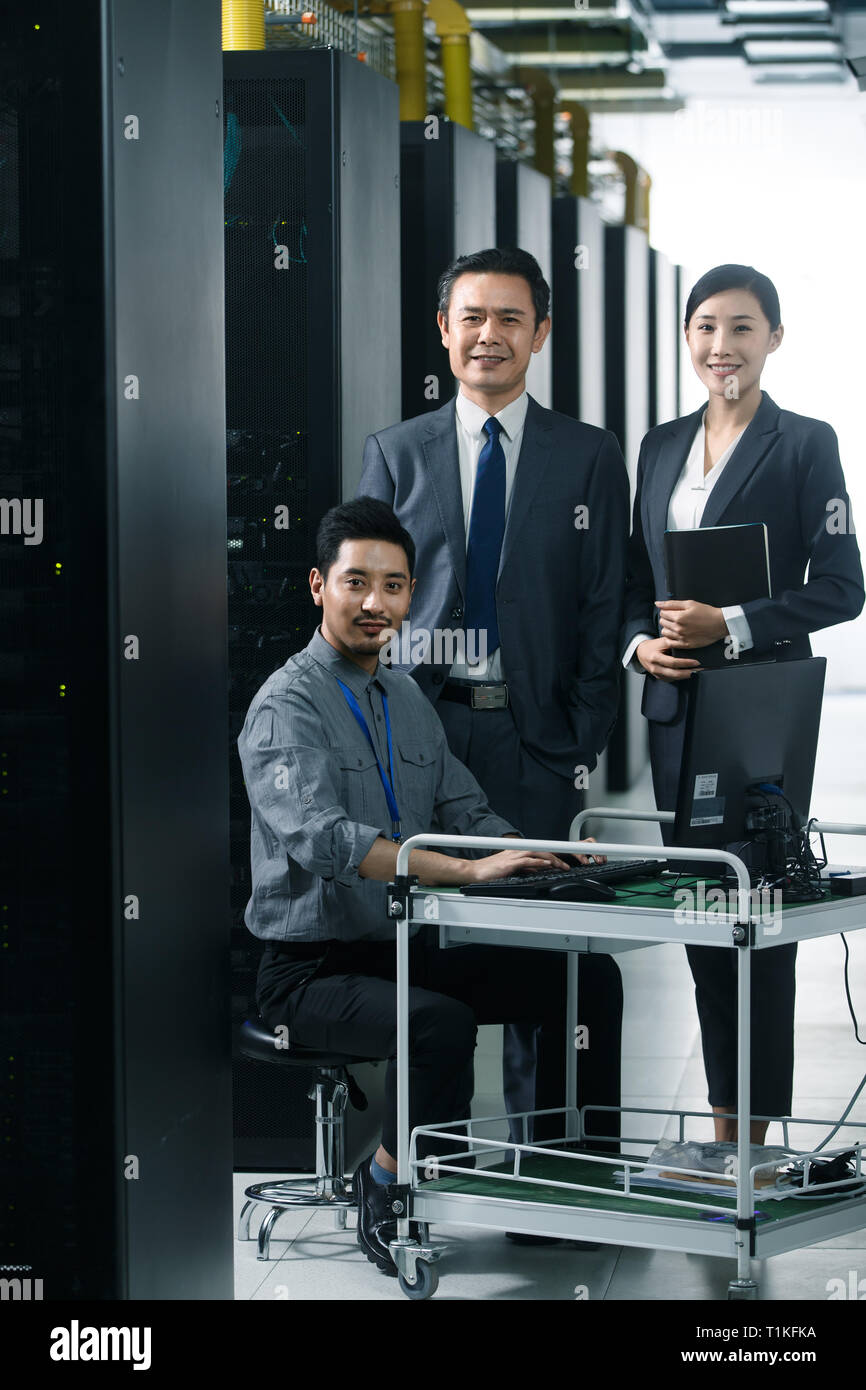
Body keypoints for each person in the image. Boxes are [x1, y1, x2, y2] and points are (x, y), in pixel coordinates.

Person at [238, 496, 585, 1276]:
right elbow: (326, 841)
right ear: (317, 585)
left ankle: (564, 1180)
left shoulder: (406, 699)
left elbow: (467, 810)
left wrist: (547, 854)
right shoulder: (285, 706)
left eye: (394, 586)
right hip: (311, 972)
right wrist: (463, 870)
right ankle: (387, 1183)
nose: (375, 603)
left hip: (396, 948)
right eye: (356, 582)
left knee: (577, 980)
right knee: (438, 1023)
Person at [358, 247, 630, 1147]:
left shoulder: (587, 457)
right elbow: (364, 598)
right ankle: (424, 1168)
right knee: (421, 952)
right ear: (443, 331)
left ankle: (551, 1167)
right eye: (471, 317)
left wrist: (580, 730)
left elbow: (604, 599)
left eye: (510, 318)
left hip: (533, 738)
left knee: (540, 951)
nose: (489, 336)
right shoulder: (396, 454)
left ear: (540, 333)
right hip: (420, 734)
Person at [621, 263, 864, 1141]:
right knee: (699, 915)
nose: (721, 346)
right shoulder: (656, 447)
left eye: (742, 327)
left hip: (760, 716)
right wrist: (637, 645)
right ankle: (725, 1128)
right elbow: (628, 579)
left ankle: (751, 1145)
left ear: (774, 338)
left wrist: (731, 623)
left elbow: (844, 588)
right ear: (688, 338)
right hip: (675, 715)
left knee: (761, 919)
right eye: (706, 328)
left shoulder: (805, 443)